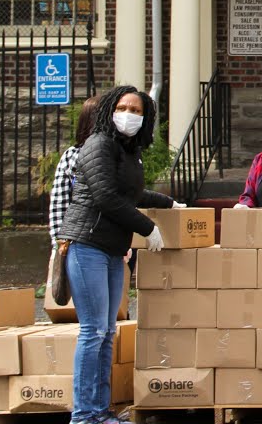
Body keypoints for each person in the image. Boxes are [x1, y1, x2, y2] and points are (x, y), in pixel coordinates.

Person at [57, 84, 185, 424]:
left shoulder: (128, 151)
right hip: (88, 245)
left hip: (113, 250)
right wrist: (147, 228)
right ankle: (85, 415)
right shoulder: (98, 144)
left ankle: (101, 410)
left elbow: (132, 193)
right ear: (110, 109)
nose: (130, 115)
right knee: (93, 330)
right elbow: (105, 197)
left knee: (107, 331)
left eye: (138, 111)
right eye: (125, 108)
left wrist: (168, 203)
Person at [48, 95, 102, 245]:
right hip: (80, 240)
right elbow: (59, 202)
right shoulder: (72, 155)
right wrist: (59, 242)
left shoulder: (121, 154)